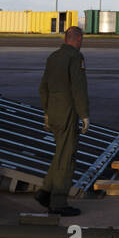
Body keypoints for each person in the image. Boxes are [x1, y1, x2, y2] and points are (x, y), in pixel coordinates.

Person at [36, 25, 89, 216]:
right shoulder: (75, 57)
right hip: (68, 111)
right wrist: (84, 114)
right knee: (67, 157)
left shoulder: (54, 57)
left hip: (54, 111)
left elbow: (43, 87)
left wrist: (47, 112)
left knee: (60, 153)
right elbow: (78, 87)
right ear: (78, 39)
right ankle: (58, 202)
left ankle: (45, 191)